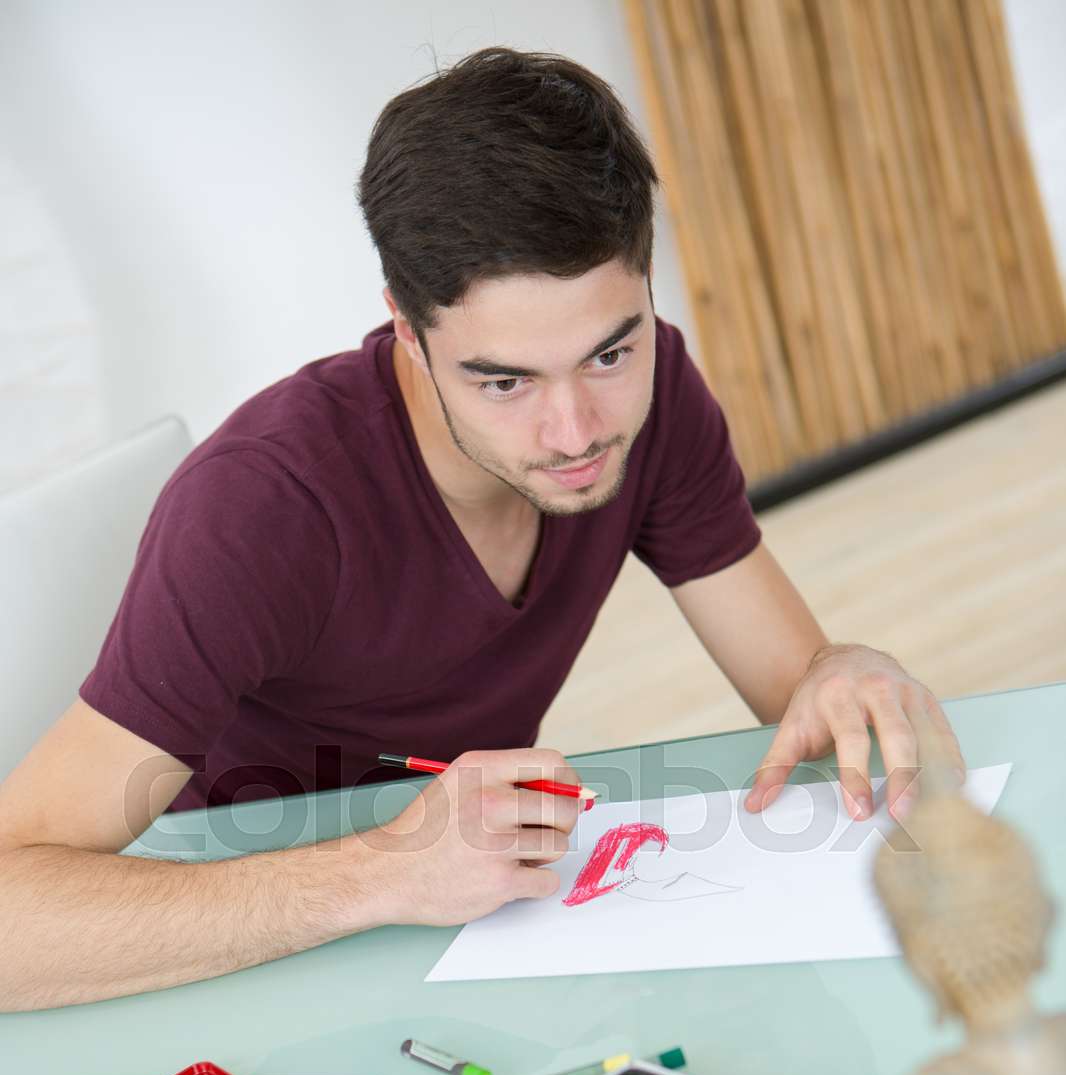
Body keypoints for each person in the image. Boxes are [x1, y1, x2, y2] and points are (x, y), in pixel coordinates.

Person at [0, 48, 963, 1013]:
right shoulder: (263, 509)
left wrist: (839, 668)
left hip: (453, 930)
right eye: (504, 381)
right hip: (212, 948)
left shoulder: (656, 394)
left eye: (609, 351)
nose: (578, 431)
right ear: (408, 334)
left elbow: (793, 688)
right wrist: (382, 873)